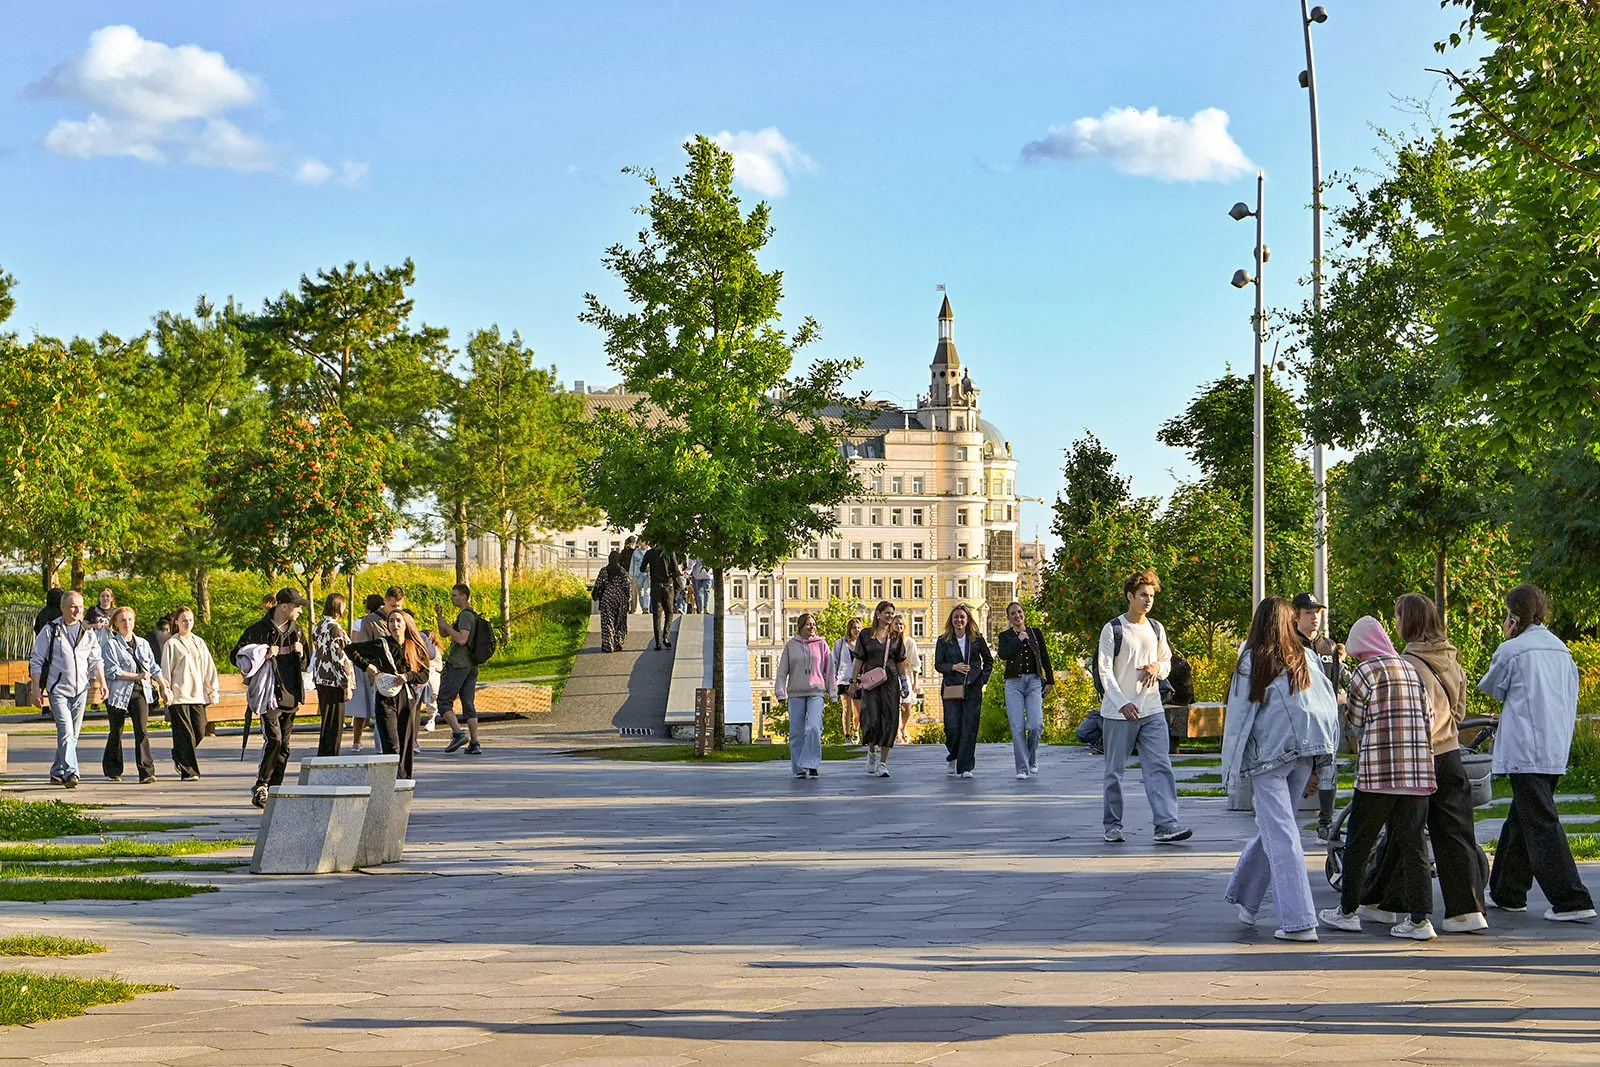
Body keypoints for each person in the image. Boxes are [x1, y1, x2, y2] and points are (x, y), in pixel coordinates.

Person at [1362, 593, 1488, 933]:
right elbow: (1459, 711)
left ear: (1409, 622)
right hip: (1451, 754)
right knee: (1456, 833)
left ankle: (1385, 903)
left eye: (1397, 616)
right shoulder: (1451, 659)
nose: (1395, 623)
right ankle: (1467, 911)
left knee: (1406, 832)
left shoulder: (1406, 664)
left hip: (1418, 757)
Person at [1222, 597, 1340, 942]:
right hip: (1303, 752)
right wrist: (1321, 763)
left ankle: (1300, 921)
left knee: (1281, 831)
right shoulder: (1304, 656)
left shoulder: (1252, 658)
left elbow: (1239, 716)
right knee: (1277, 827)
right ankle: (1246, 900)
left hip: (1269, 755)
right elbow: (1325, 707)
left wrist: (1231, 770)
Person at [1479, 583, 1596, 922]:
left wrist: (1507, 639)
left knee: (1541, 823)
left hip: (1524, 749)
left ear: (1514, 616)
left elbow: (1492, 687)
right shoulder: (1561, 649)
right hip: (1555, 746)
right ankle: (1507, 892)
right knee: (1522, 819)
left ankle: (1572, 900)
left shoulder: (1513, 650)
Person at [1318, 615, 1438, 940]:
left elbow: (1355, 720)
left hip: (1378, 773)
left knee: (1359, 842)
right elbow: (1430, 717)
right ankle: (1419, 921)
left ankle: (1347, 912)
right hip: (1417, 772)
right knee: (1414, 846)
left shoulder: (1365, 672)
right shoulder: (1411, 670)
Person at [1096, 570, 1191, 843]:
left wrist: (1157, 667)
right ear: (1130, 596)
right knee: (1114, 772)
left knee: (1160, 766)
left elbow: (1167, 661)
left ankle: (1166, 825)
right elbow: (1105, 671)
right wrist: (1122, 703)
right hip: (1119, 713)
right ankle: (1112, 825)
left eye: (1151, 596)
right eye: (1143, 595)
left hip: (1151, 710)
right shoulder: (1113, 629)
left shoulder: (1156, 628)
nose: (1148, 600)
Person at [234, 588, 311, 809]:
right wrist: (262, 653)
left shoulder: (298, 632)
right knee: (274, 739)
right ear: (283, 607)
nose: (300, 611)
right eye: (297, 606)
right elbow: (237, 656)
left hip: (291, 694)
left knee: (284, 746)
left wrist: (301, 653)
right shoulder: (258, 630)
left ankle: (275, 789)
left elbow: (306, 663)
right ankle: (262, 785)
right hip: (269, 695)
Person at [28, 590, 107, 789]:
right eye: (72, 606)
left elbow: (96, 660)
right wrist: (35, 689)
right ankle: (72, 772)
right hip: (58, 690)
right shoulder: (50, 630)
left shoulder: (87, 632)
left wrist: (103, 683)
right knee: (66, 731)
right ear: (62, 608)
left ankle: (57, 772)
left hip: (80, 690)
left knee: (73, 734)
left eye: (80, 606)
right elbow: (36, 660)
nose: (77, 610)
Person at [345, 609, 431, 780]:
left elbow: (424, 675)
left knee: (406, 741)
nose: (395, 624)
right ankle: (391, 780)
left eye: (398, 621)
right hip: (385, 697)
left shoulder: (415, 646)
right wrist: (367, 666)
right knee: (390, 741)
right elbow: (350, 649)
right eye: (391, 621)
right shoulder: (382, 644)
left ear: (406, 624)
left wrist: (408, 676)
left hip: (407, 696)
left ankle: (404, 780)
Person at [1293, 592, 1349, 840]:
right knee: (1298, 770)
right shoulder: (1289, 645)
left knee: (1327, 769)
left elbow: (1335, 683)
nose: (1314, 617)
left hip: (1325, 719)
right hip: (1298, 719)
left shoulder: (1329, 647)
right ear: (1296, 616)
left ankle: (1326, 823)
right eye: (1308, 612)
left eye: (1317, 612)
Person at [99, 606, 164, 784]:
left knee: (141, 730)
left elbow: (153, 667)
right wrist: (138, 676)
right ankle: (112, 769)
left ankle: (146, 771)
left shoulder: (143, 643)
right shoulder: (111, 645)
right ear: (116, 624)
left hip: (139, 691)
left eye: (129, 619)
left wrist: (164, 686)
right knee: (116, 730)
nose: (126, 623)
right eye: (122, 620)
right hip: (118, 693)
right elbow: (112, 671)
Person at [160, 606, 219, 781]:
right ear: (177, 622)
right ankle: (189, 771)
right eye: (184, 620)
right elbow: (166, 670)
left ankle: (179, 753)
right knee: (185, 734)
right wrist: (166, 690)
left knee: (199, 730)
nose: (187, 623)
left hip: (198, 694)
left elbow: (209, 668)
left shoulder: (199, 642)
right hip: (179, 695)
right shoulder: (171, 644)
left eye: (190, 620)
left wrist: (212, 690)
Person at [997, 600, 1055, 780]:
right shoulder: (1005, 636)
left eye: (1019, 612)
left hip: (1034, 683)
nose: (1017, 615)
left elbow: (1044, 656)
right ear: (1009, 618)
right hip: (1014, 684)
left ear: (1024, 614)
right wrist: (1018, 639)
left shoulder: (1035, 633)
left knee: (1036, 725)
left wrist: (1050, 680)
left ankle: (1032, 758)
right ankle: (1022, 769)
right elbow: (1003, 655)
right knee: (1018, 727)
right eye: (1013, 613)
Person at [849, 600, 907, 778]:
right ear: (878, 614)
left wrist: (904, 682)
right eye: (887, 613)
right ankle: (871, 751)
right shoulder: (866, 635)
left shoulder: (896, 636)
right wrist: (853, 681)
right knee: (871, 719)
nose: (890, 616)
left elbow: (900, 661)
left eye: (892, 613)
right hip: (871, 682)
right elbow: (859, 659)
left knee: (890, 719)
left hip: (890, 683)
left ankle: (883, 763)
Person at [935, 603, 993, 778]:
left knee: (969, 727)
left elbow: (988, 660)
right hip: (952, 687)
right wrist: (953, 667)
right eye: (956, 617)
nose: (959, 620)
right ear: (951, 620)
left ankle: (966, 766)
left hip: (972, 688)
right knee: (952, 727)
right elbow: (938, 665)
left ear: (968, 620)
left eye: (962, 617)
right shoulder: (943, 640)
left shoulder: (976, 639)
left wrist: (982, 679)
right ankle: (952, 755)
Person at [776, 612, 832, 779]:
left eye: (813, 624)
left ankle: (812, 764)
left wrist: (833, 693)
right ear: (800, 627)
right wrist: (780, 692)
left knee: (814, 727)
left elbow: (829, 670)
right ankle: (799, 767)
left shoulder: (822, 644)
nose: (812, 627)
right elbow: (782, 671)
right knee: (796, 732)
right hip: (796, 694)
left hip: (816, 692)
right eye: (808, 624)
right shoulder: (791, 645)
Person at [434, 583, 484, 755]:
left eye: (455, 595)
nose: (452, 598)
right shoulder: (469, 615)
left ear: (464, 597)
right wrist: (440, 616)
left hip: (458, 665)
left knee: (443, 701)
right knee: (468, 703)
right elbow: (444, 633)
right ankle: (475, 742)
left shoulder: (466, 616)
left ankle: (458, 733)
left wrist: (448, 627)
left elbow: (462, 639)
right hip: (471, 665)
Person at [312, 593, 352, 757]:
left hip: (321, 678)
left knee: (327, 722)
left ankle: (324, 757)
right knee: (335, 725)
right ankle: (330, 759)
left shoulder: (320, 625)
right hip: (334, 681)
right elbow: (339, 657)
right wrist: (346, 683)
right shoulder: (335, 628)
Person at [349, 593, 385, 752]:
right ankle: (381, 740)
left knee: (361, 708)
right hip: (377, 665)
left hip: (361, 666)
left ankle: (357, 741)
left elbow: (355, 643)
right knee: (378, 705)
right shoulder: (383, 621)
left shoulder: (360, 622)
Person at [641, 543, 682, 650]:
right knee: (669, 613)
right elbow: (676, 570)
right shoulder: (670, 552)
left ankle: (658, 643)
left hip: (655, 586)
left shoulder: (649, 553)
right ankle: (666, 637)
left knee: (657, 615)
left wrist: (652, 569)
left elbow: (642, 568)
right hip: (668, 586)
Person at [594, 550, 631, 652]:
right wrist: (628, 599)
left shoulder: (603, 570)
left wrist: (595, 595)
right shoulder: (622, 571)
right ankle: (618, 641)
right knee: (620, 621)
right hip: (620, 598)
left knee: (607, 621)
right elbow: (627, 586)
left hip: (607, 597)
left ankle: (608, 644)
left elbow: (597, 585)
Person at [892, 615, 921, 743]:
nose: (899, 626)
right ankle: (896, 731)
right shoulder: (889, 641)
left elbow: (915, 663)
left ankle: (903, 727)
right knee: (894, 705)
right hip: (892, 675)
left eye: (901, 624)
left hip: (906, 675)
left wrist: (916, 682)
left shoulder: (909, 642)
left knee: (906, 705)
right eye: (896, 624)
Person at [833, 619, 863, 743]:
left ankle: (855, 730)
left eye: (858, 628)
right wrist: (833, 679)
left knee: (858, 709)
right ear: (849, 629)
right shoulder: (841, 643)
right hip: (843, 679)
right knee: (846, 708)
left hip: (858, 681)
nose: (857, 630)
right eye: (854, 628)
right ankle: (847, 735)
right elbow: (834, 660)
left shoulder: (862, 645)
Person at [629, 538, 650, 615]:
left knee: (647, 591)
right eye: (641, 541)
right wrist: (631, 576)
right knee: (640, 592)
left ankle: (646, 608)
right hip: (638, 574)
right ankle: (643, 607)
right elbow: (632, 564)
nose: (642, 543)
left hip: (647, 574)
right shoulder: (636, 552)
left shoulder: (650, 551)